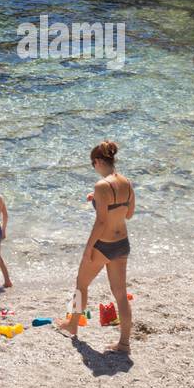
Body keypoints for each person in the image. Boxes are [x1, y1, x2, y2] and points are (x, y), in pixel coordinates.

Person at [56, 140, 134, 353]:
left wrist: (88, 248)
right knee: (120, 294)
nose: (94, 168)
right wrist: (99, 201)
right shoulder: (126, 181)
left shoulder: (101, 186)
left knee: (81, 284)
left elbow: (101, 222)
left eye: (93, 164)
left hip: (104, 244)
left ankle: (73, 324)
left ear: (98, 161)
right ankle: (124, 344)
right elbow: (128, 213)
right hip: (122, 243)